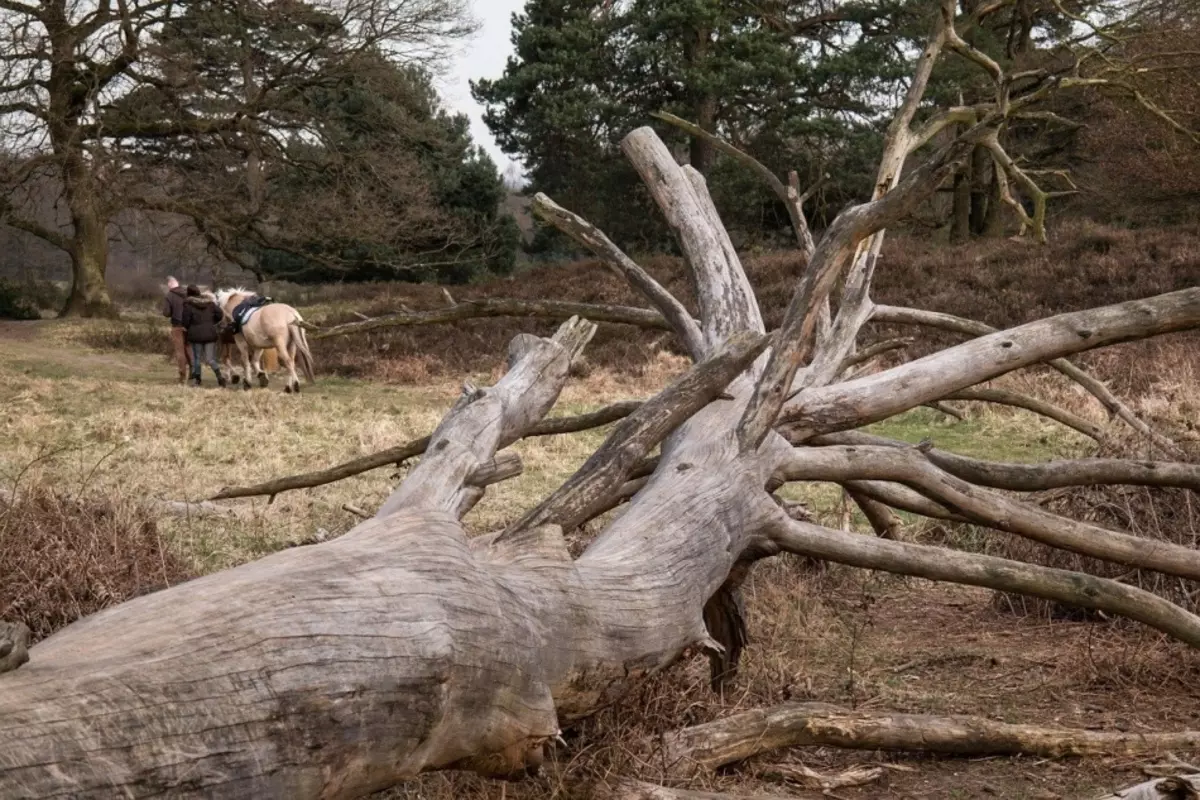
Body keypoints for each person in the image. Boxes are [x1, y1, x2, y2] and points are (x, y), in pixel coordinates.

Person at [181, 285, 227, 388]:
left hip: (195, 334)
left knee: (197, 358)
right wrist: (212, 322)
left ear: (189, 293)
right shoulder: (210, 303)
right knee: (210, 359)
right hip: (210, 333)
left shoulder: (188, 305)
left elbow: (185, 321)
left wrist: (188, 328)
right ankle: (220, 378)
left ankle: (197, 380)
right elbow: (220, 314)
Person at [162, 277, 191, 384]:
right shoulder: (188, 294)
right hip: (189, 326)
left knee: (180, 351)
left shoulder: (169, 295)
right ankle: (195, 374)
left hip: (177, 325)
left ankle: (183, 376)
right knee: (189, 349)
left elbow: (166, 313)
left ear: (169, 285)